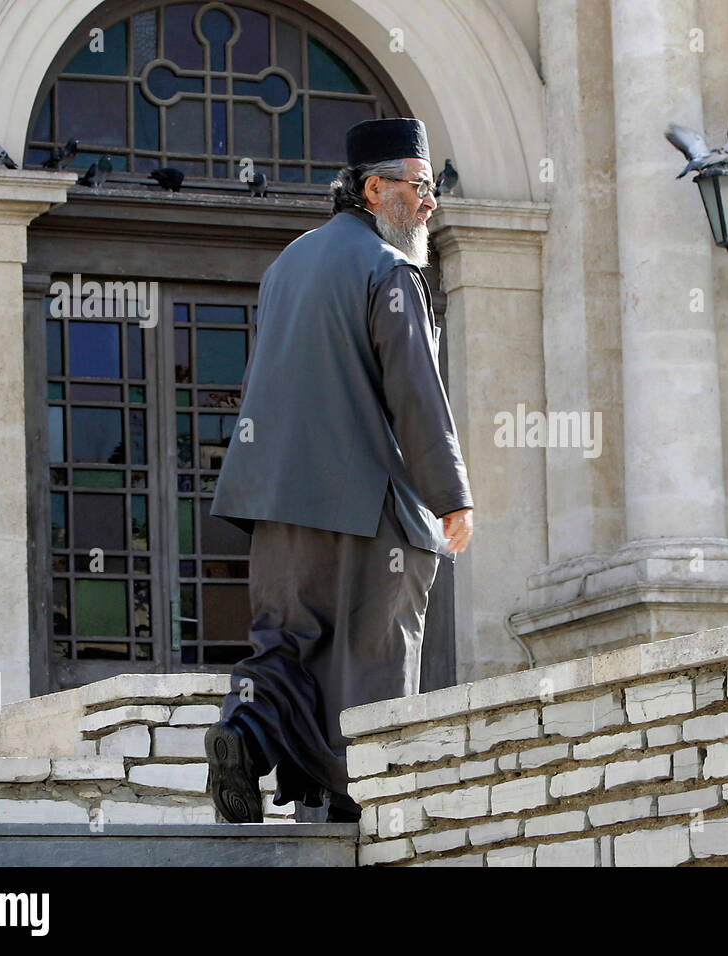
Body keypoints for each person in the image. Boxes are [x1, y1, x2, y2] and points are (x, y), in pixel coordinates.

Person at [204, 117, 474, 824]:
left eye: (431, 188)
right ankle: (356, 812)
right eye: (417, 187)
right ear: (373, 187)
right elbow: (416, 391)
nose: (429, 203)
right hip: (368, 510)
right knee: (372, 661)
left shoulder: (286, 264)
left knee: (285, 648)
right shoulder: (391, 270)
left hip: (275, 507)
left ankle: (245, 733)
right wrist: (451, 496)